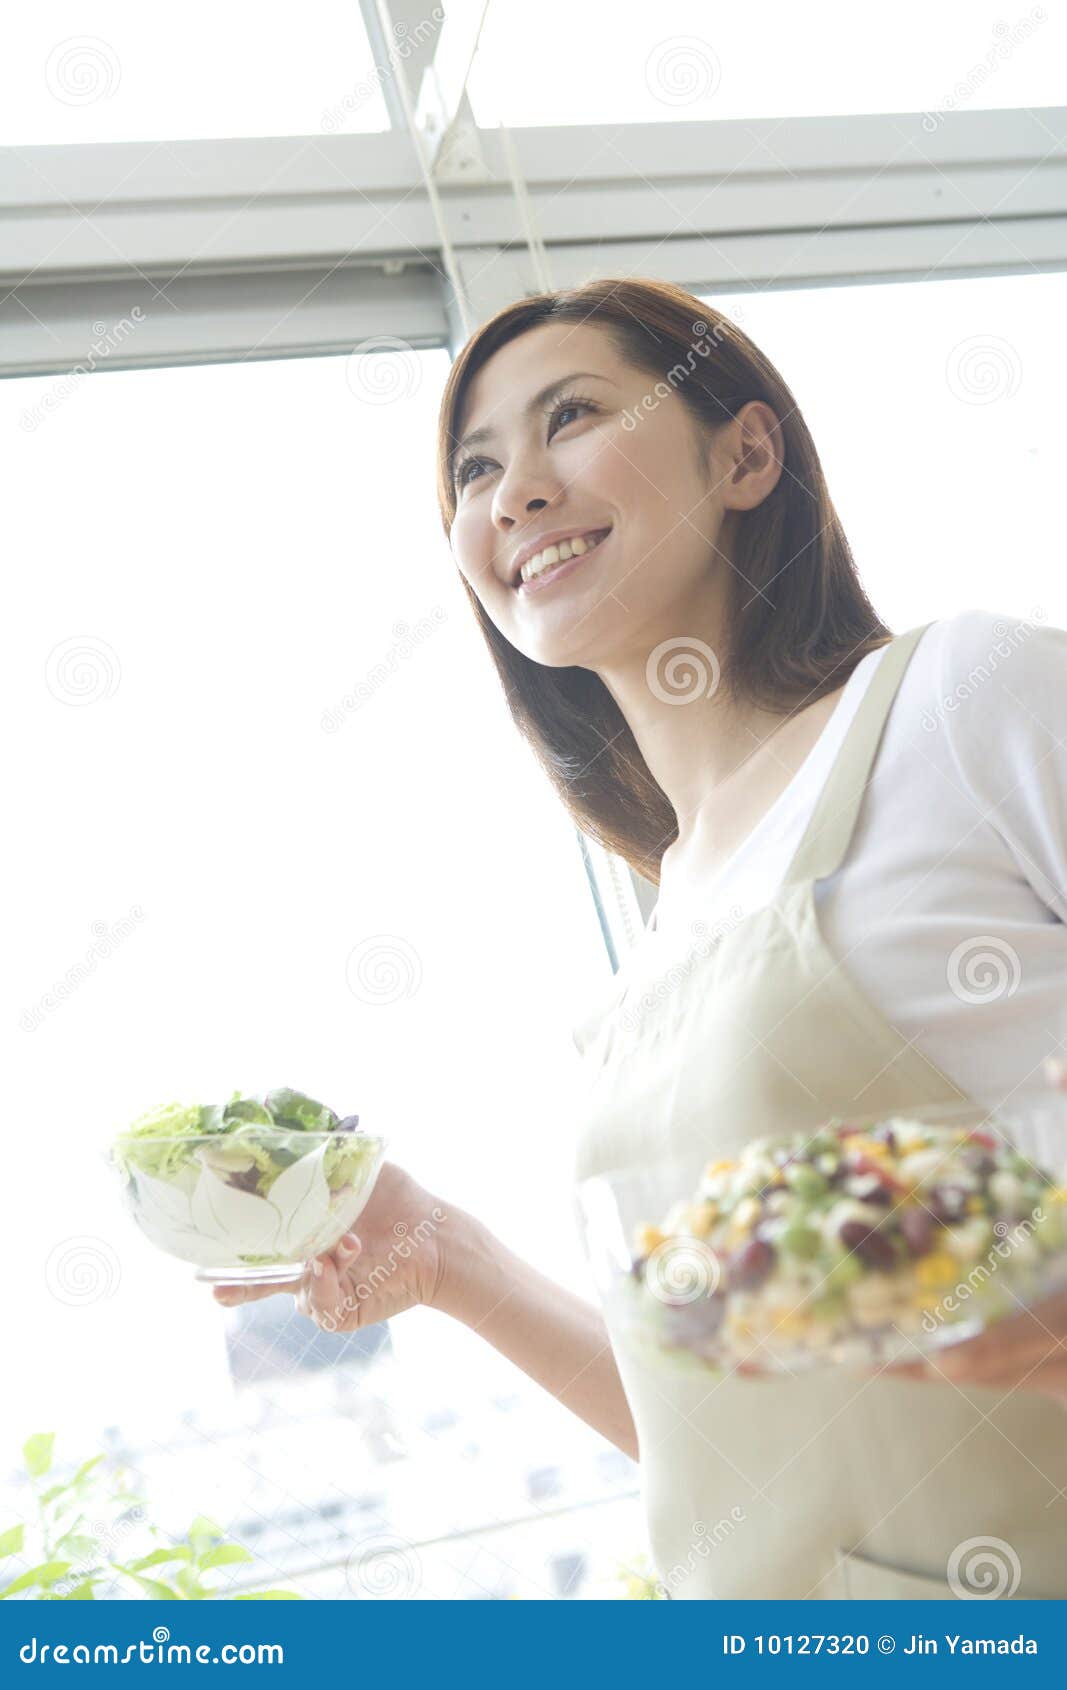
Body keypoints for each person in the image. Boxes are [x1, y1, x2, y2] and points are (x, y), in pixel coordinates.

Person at [211, 278, 1067, 1599]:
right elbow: (731, 1454)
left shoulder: (964, 699)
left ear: (746, 454)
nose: (515, 491)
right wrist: (451, 1258)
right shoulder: (668, 921)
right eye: (477, 468)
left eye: (573, 417)